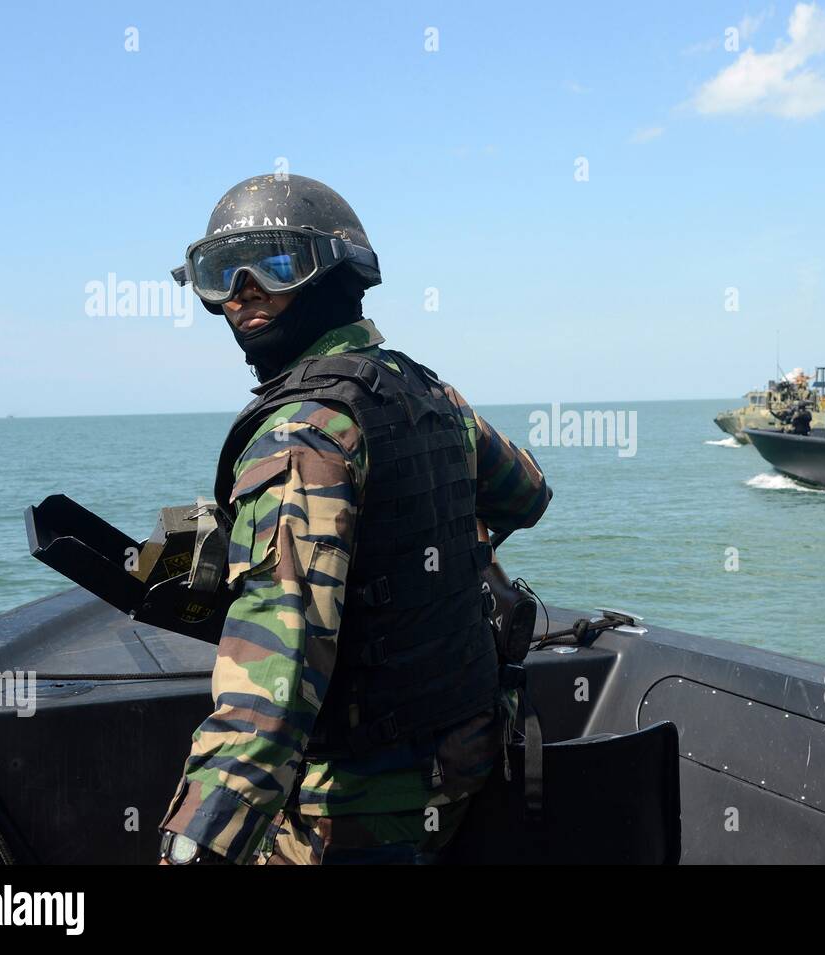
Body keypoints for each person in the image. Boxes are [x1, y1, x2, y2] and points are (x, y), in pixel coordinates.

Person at [156, 174, 551, 865]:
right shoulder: (431, 394)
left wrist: (188, 850)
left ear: (334, 275)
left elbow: (264, 711)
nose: (244, 292)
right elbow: (525, 495)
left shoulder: (301, 439)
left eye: (275, 264)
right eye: (221, 275)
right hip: (468, 767)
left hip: (358, 810)